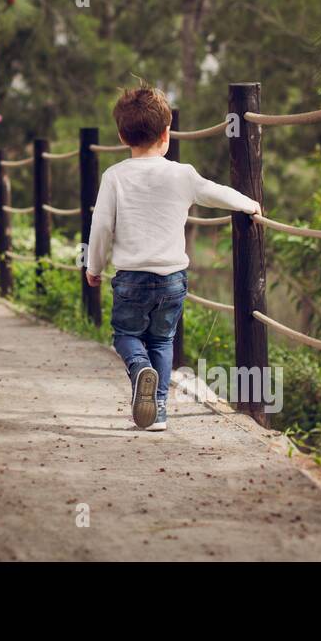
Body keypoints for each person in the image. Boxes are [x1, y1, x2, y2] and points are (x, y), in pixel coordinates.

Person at [85, 85, 260, 430]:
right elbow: (215, 193)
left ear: (122, 136)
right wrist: (247, 203)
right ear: (167, 133)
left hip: (131, 278)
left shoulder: (114, 177)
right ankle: (159, 411)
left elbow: (101, 227)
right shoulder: (182, 174)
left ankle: (139, 368)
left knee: (126, 334)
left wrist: (94, 267)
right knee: (163, 340)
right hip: (172, 278)